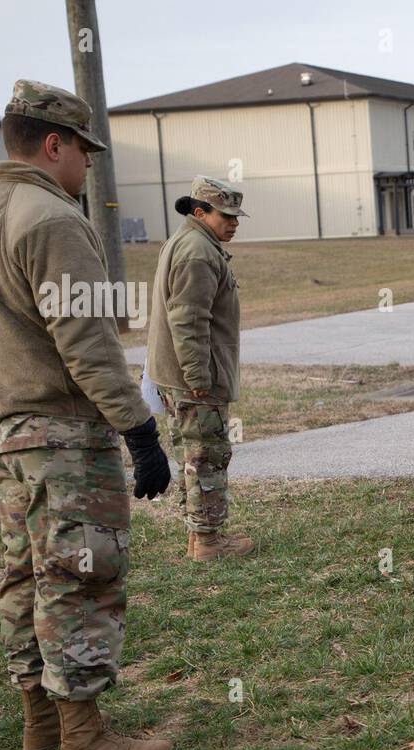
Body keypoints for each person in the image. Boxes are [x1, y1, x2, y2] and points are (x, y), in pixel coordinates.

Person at [0, 80, 173, 750]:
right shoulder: (52, 219)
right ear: (54, 145)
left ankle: (41, 725)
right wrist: (139, 430)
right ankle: (85, 737)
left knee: (26, 575)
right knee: (80, 573)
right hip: (63, 436)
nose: (89, 162)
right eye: (84, 148)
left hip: (5, 432)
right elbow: (88, 345)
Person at [146, 177, 254, 560]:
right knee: (207, 455)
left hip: (177, 376)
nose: (234, 223)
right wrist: (198, 377)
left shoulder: (188, 242)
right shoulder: (198, 252)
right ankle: (209, 541)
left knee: (192, 457)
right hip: (194, 380)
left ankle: (199, 537)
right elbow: (189, 320)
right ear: (199, 212)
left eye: (236, 216)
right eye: (226, 215)